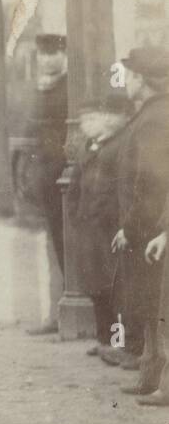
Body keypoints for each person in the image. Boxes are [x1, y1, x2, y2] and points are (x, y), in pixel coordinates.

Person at [110, 46, 169, 405]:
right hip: (151, 223)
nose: (126, 82)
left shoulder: (153, 118)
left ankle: (160, 383)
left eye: (130, 76)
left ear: (145, 82)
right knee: (150, 307)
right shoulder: (151, 113)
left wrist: (130, 227)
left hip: (150, 226)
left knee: (156, 308)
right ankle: (151, 376)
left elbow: (149, 181)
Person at [72, 90, 131, 365]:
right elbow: (77, 182)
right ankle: (103, 339)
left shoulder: (119, 146)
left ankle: (118, 342)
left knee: (114, 285)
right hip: (89, 225)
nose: (88, 125)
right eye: (85, 120)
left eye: (94, 118)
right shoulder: (88, 145)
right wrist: (76, 212)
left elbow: (123, 189)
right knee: (95, 283)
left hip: (109, 226)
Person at [23, 33, 68, 335]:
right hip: (45, 176)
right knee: (51, 243)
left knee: (63, 243)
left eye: (54, 53)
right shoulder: (39, 89)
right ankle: (54, 312)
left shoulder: (68, 88)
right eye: (43, 53)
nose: (48, 58)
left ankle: (62, 313)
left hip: (62, 175)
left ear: (64, 55)